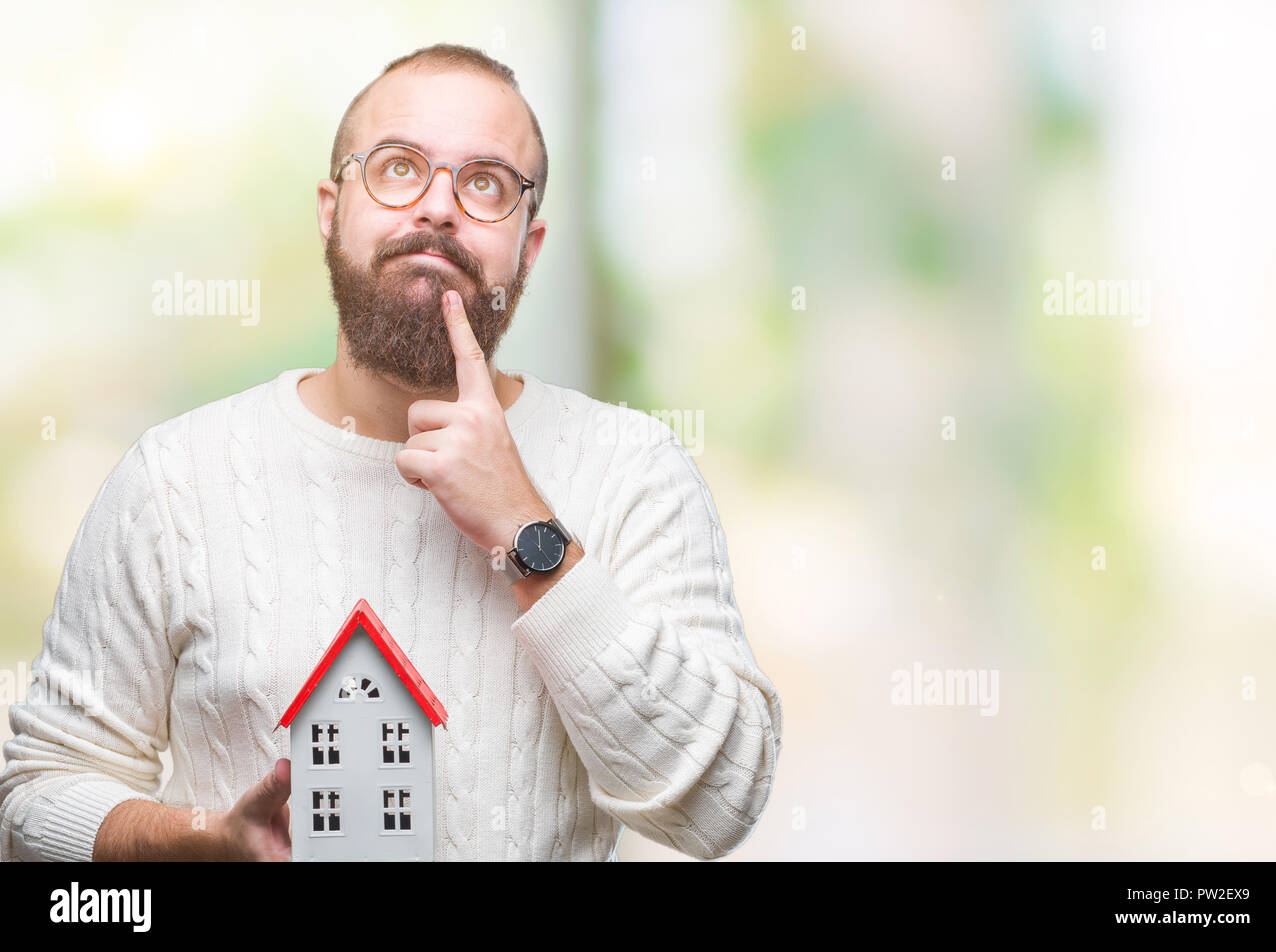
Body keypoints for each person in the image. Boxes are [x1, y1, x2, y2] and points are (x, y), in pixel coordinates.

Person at [0, 43, 782, 862]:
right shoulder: (173, 480)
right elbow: (36, 799)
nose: (439, 208)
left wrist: (525, 527)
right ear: (331, 210)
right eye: (399, 167)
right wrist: (202, 842)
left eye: (485, 183)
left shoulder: (634, 468)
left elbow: (717, 808)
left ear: (531, 246)